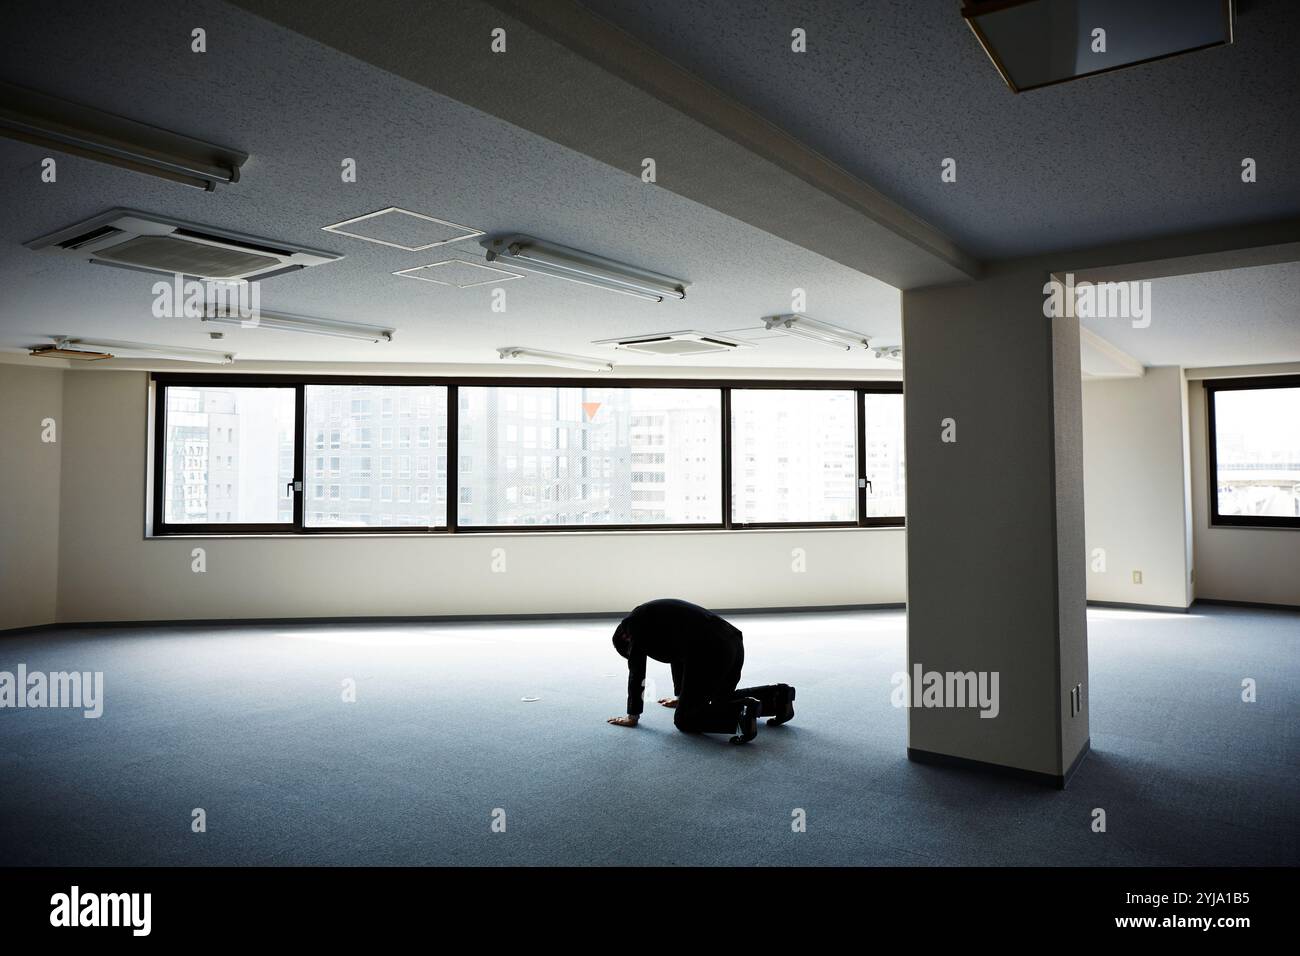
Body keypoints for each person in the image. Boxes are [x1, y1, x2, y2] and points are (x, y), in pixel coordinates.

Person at [606, 598, 796, 744]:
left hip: (709, 651)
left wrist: (632, 716)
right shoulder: (651, 615)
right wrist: (681, 697)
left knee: (685, 719)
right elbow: (677, 655)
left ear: (625, 639)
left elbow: (637, 673)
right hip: (732, 641)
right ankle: (778, 698)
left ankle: (741, 716)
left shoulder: (634, 629)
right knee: (721, 698)